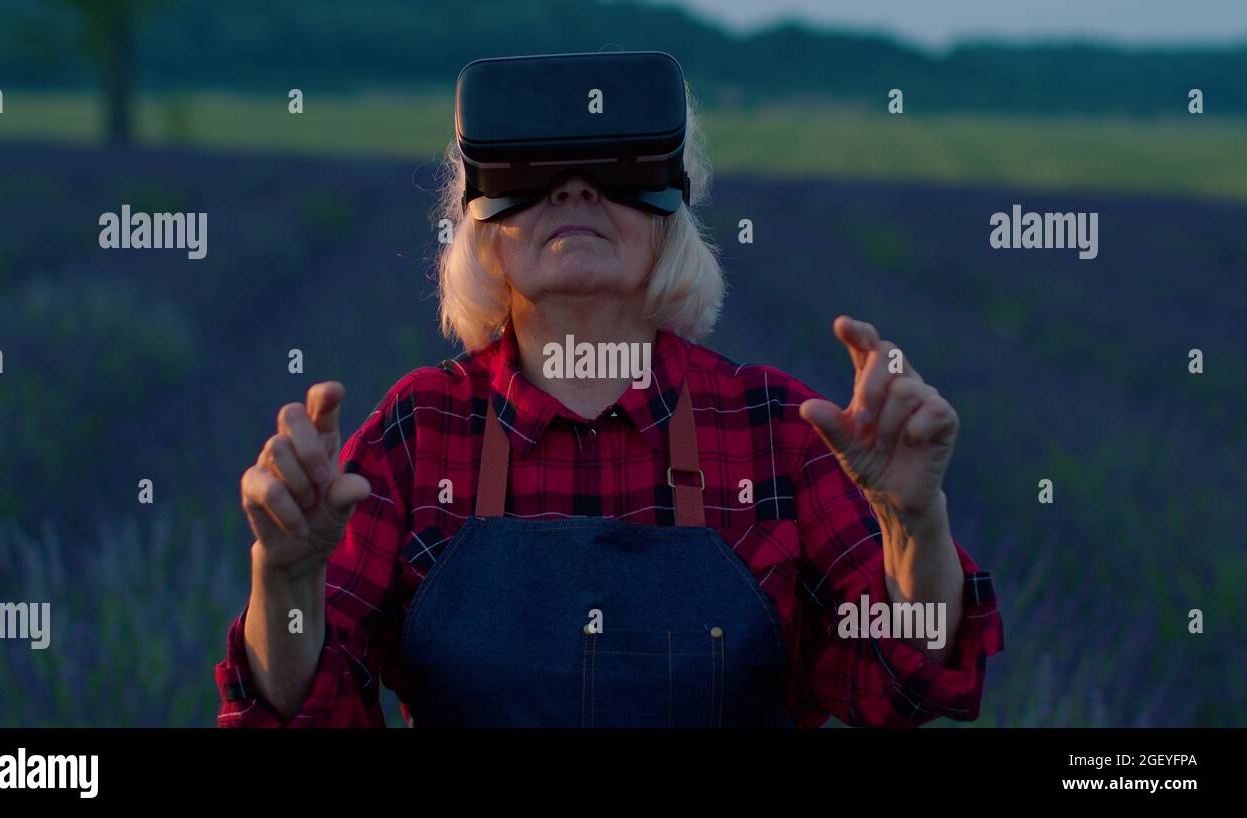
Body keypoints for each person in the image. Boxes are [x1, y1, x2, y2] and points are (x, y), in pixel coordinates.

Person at [216, 57, 1003, 728]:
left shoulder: (773, 430)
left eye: (616, 170)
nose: (574, 192)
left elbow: (901, 680)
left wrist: (913, 525)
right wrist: (283, 578)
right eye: (532, 174)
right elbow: (297, 712)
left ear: (672, 217)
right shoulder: (421, 430)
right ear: (482, 226)